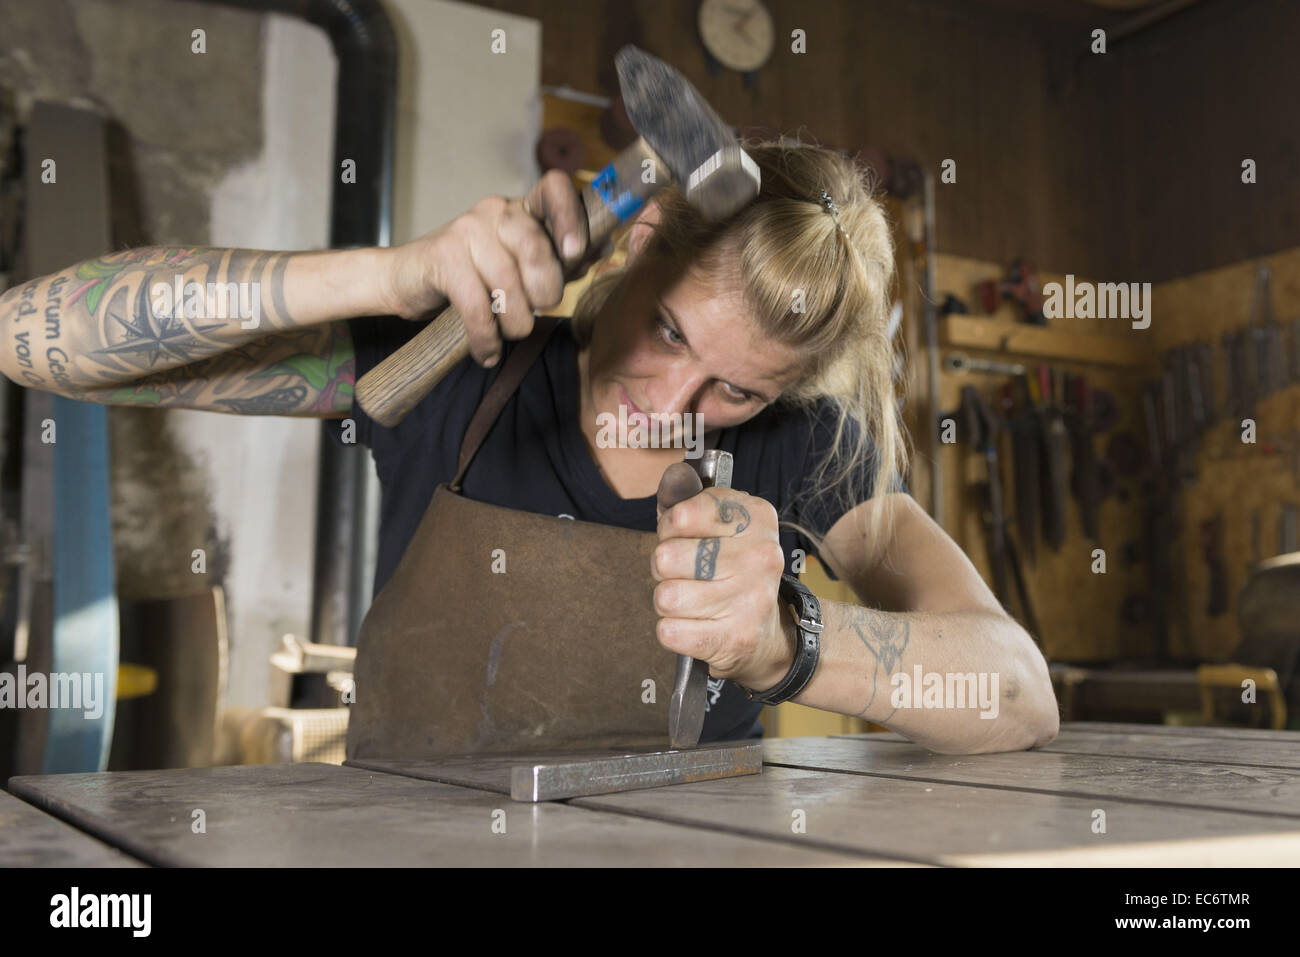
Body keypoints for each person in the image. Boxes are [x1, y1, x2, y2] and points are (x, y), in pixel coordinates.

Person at [0, 138, 1058, 753]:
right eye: (669, 330)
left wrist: (790, 645)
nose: (673, 400)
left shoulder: (804, 450)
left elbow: (1015, 691)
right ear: (638, 243)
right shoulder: (459, 363)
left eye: (734, 388)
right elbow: (32, 340)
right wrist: (388, 277)